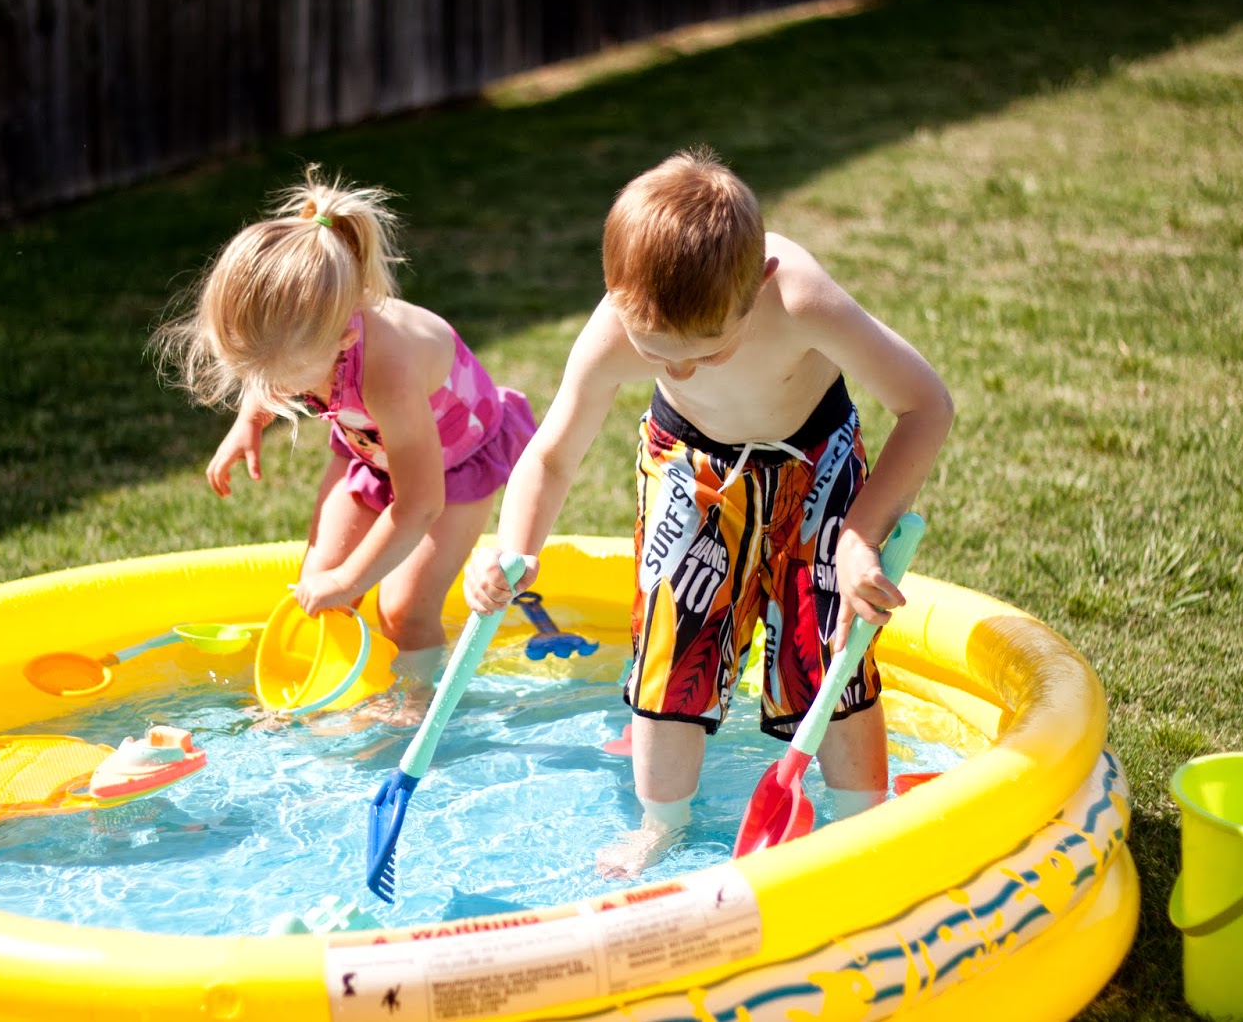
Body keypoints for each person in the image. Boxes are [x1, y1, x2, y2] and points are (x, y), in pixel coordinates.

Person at [463, 148, 953, 877]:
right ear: (616, 293)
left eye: (707, 355)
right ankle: (663, 823)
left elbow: (926, 406)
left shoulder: (800, 299)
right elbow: (551, 455)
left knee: (830, 651)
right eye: (658, 356)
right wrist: (517, 549)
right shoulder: (618, 324)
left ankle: (862, 819)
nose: (680, 371)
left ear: (758, 286)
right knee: (672, 643)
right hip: (691, 469)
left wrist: (859, 537)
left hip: (813, 463)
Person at [154, 166, 536, 722]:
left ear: (345, 341)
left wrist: (351, 578)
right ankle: (325, 691)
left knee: (401, 607)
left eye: (286, 385)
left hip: (454, 466)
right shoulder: (299, 338)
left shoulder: (388, 372)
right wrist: (250, 421)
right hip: (373, 450)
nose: (275, 394)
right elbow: (273, 372)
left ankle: (418, 704)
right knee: (317, 588)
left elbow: (419, 504)